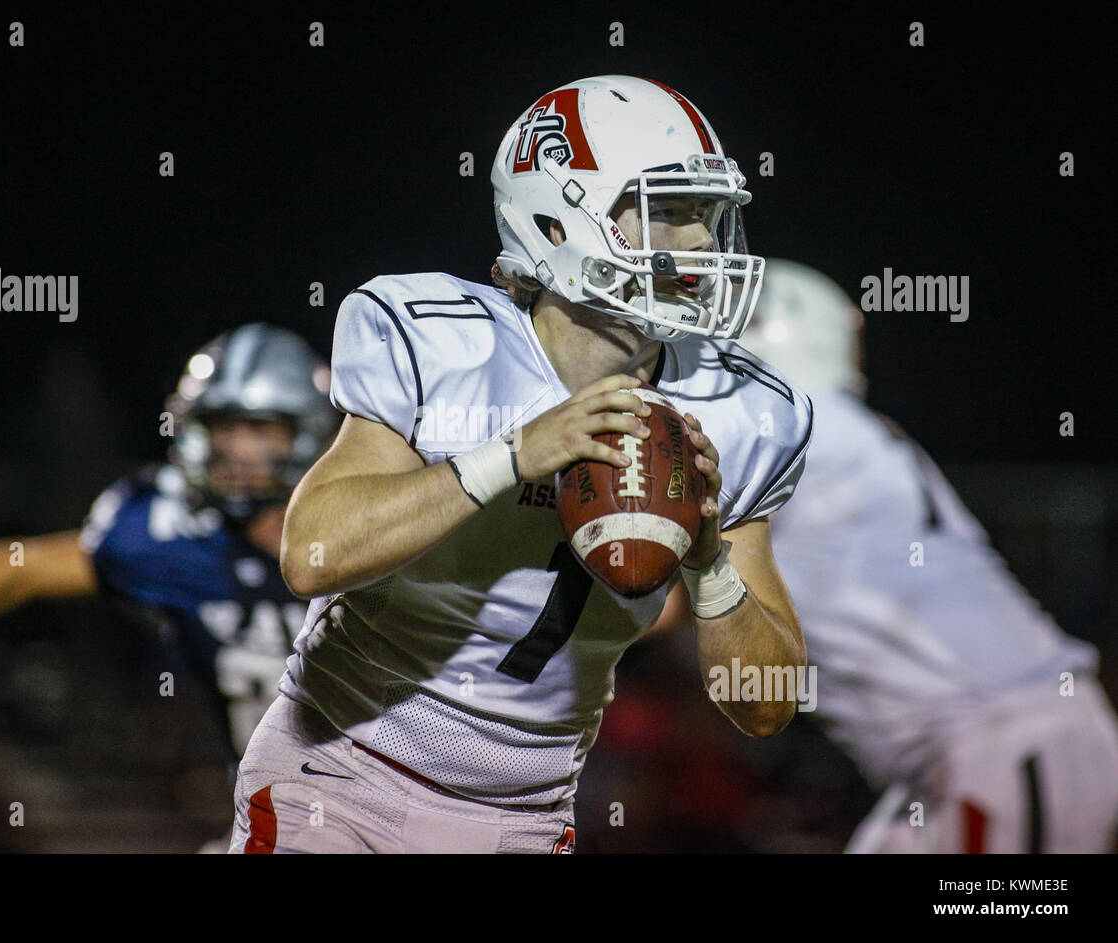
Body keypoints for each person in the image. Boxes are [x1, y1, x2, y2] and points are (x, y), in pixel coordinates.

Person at [229, 75, 813, 854]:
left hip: (525, 818)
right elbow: (312, 556)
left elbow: (766, 703)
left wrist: (711, 566)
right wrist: (510, 454)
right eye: (668, 212)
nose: (702, 243)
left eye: (705, 216)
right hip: (344, 779)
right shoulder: (441, 340)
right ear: (559, 217)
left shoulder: (744, 410)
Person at [0, 324, 340, 773]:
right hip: (272, 808)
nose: (240, 450)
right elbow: (23, 566)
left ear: (309, 431)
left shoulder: (363, 532)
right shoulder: (176, 537)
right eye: (224, 427)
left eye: (262, 428)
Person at [737, 258, 1118, 852]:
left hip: (1000, 740)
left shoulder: (787, 422)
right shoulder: (841, 429)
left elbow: (660, 592)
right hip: (986, 748)